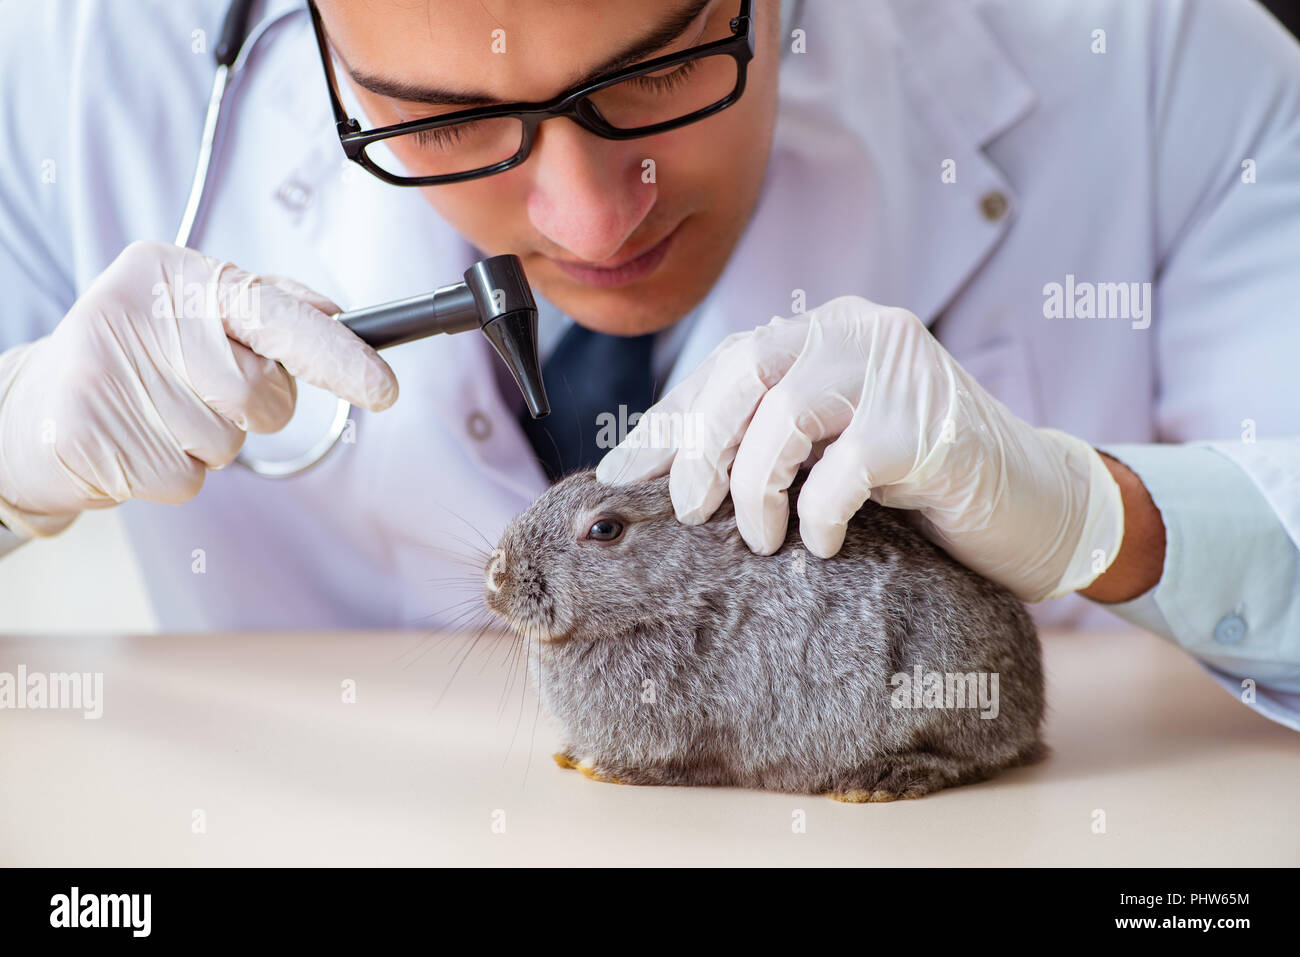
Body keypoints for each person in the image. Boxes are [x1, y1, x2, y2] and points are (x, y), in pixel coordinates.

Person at [0, 0, 1296, 729]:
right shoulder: (76, 70)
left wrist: (1099, 518)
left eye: (664, 63)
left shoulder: (1157, 51)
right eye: (443, 117)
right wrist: (13, 456)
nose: (589, 222)